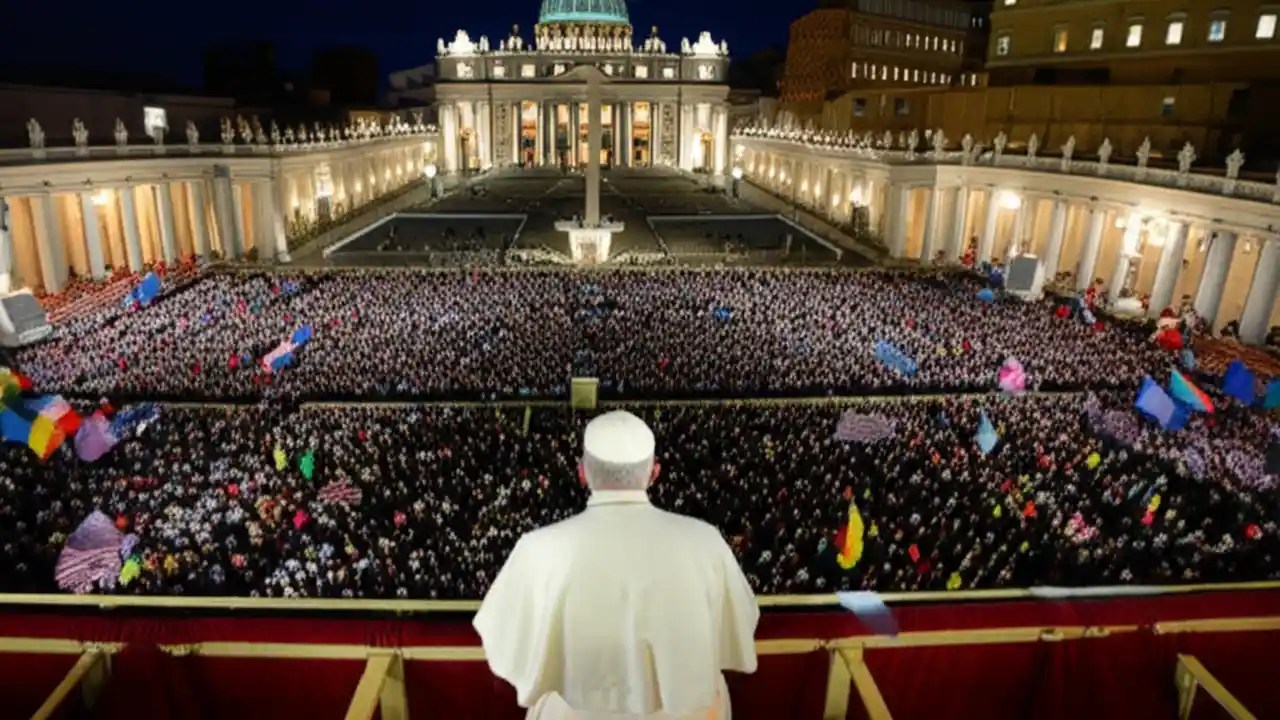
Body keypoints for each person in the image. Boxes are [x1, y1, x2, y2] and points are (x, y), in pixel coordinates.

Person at [473, 410, 759, 719]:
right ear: (654, 473)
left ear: (582, 473)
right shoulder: (706, 542)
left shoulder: (536, 549)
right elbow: (738, 633)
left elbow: (504, 658)